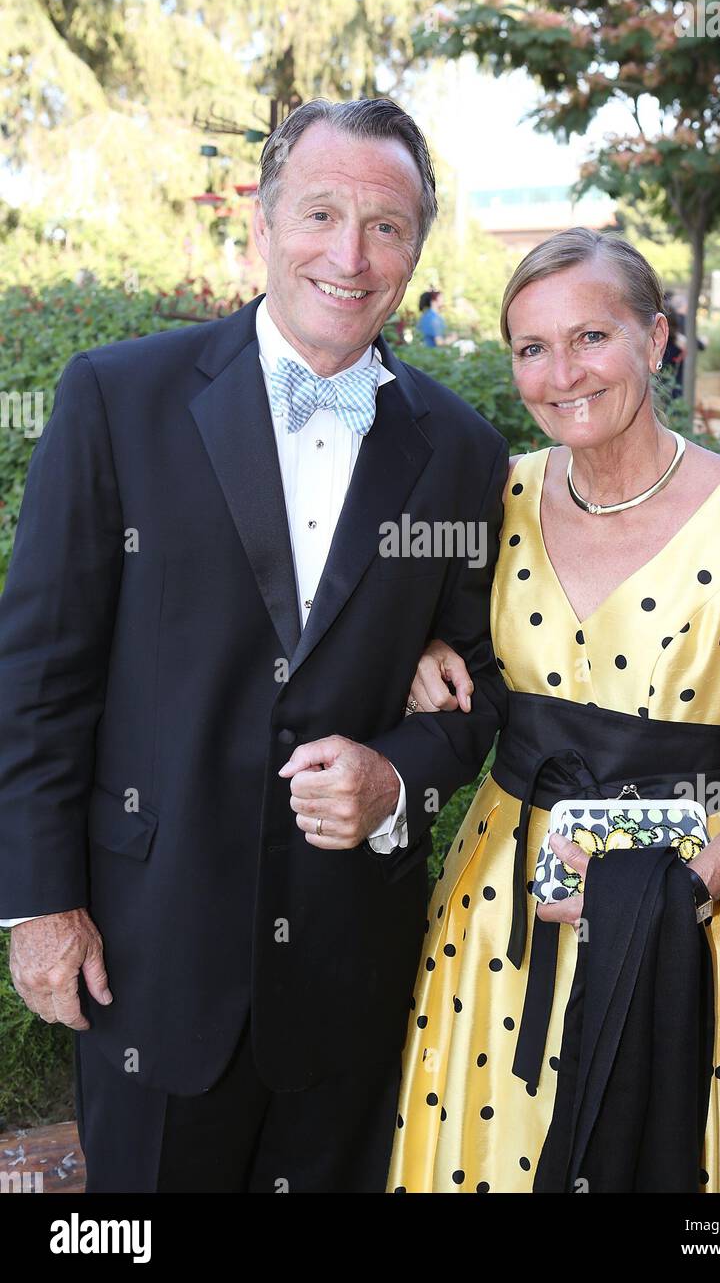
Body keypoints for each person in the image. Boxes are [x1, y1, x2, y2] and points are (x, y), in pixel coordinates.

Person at [0, 98, 510, 1193]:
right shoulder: (114, 398)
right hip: (148, 957)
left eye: (386, 227)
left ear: (416, 253)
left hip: (347, 970)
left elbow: (480, 688)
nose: (350, 252)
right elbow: (40, 681)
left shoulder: (462, 451)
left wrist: (396, 772)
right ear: (262, 226)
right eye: (320, 213)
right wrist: (39, 906)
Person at [387, 228, 720, 1194]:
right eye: (532, 349)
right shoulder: (495, 494)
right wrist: (424, 651)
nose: (562, 375)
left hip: (691, 907)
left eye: (591, 336)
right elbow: (418, 632)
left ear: (659, 340)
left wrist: (668, 903)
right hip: (501, 913)